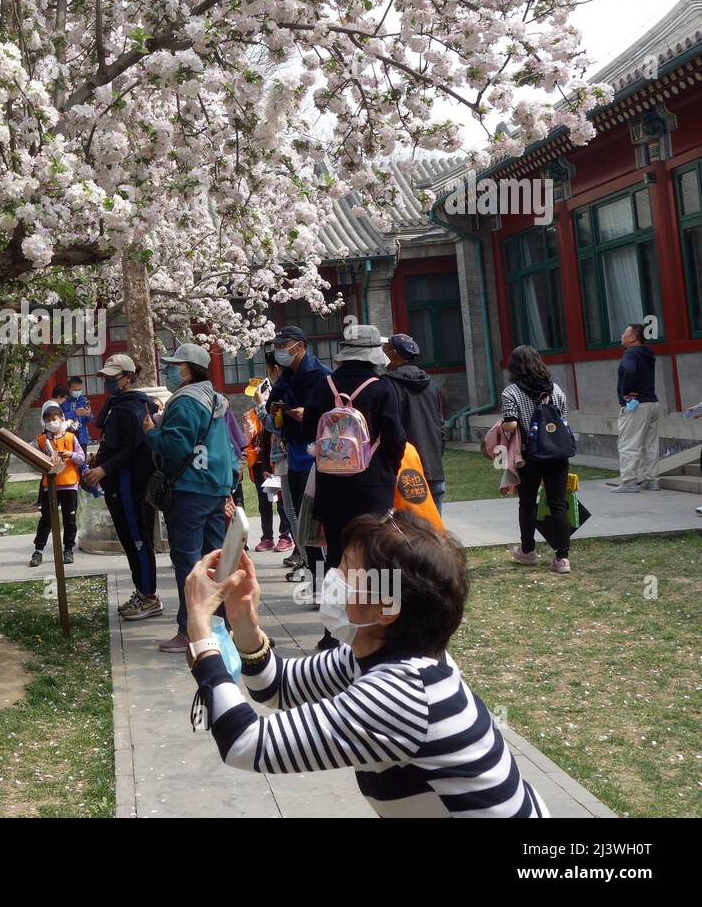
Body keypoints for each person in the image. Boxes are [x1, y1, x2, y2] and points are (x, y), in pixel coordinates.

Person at [182, 510, 549, 817]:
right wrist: (243, 620)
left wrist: (199, 630)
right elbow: (276, 686)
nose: (332, 579)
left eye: (347, 571)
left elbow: (243, 743)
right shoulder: (378, 656)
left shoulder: (400, 694)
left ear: (388, 608)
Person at [303, 324, 406, 648]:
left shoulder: (324, 385)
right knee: (377, 555)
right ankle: (378, 625)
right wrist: (389, 465)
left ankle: (332, 633)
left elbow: (309, 429)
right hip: (372, 487)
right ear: (372, 354)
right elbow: (396, 438)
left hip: (332, 488)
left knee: (336, 558)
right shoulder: (382, 387)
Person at [144, 343, 236, 654]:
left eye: (175, 365)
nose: (170, 369)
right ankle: (222, 624)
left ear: (188, 370)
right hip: (216, 487)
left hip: (190, 490)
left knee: (188, 562)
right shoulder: (215, 398)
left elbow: (174, 447)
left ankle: (190, 630)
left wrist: (151, 431)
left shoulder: (184, 401)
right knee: (216, 562)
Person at [83, 353, 163, 621]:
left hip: (132, 484)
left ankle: (149, 595)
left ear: (126, 378)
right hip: (118, 482)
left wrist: (105, 468)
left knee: (138, 539)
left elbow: (135, 447)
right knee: (128, 539)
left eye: (111, 377)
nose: (106, 382)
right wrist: (101, 460)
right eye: (104, 377)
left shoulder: (136, 406)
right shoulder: (118, 404)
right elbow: (115, 443)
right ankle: (141, 591)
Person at [500, 345, 572, 574]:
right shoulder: (556, 389)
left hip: (529, 455)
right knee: (558, 503)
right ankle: (562, 558)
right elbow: (564, 419)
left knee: (528, 502)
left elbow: (510, 424)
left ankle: (528, 550)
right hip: (557, 454)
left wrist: (502, 426)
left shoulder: (511, 392)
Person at [268, 326, 331, 574]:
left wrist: (310, 415)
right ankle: (315, 575)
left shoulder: (322, 376)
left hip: (316, 454)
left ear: (301, 346)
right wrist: (276, 414)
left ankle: (327, 576)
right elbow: (272, 412)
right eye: (278, 346)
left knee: (317, 520)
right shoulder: (284, 378)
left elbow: (336, 417)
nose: (281, 351)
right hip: (292, 452)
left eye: (286, 346)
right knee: (301, 522)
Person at [382, 332, 447, 513]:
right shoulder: (431, 384)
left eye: (385, 349)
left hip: (404, 470)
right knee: (434, 533)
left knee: (408, 533)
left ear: (393, 354)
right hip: (433, 468)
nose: (383, 353)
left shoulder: (388, 384)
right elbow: (441, 427)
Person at [30, 400, 83, 568]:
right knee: (47, 518)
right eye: (48, 420)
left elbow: (81, 458)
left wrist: (70, 454)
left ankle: (68, 549)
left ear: (62, 419)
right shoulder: (41, 440)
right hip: (50, 484)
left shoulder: (70, 437)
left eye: (55, 418)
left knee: (70, 518)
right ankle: (38, 550)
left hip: (69, 484)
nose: (52, 422)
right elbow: (32, 459)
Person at [246, 369, 293, 554]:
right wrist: (266, 466)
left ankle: (285, 536)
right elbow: (264, 442)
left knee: (284, 504)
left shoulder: (277, 410)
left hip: (283, 462)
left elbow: (275, 431)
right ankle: (267, 537)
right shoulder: (255, 414)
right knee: (264, 503)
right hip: (264, 464)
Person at [610, 323, 661, 493]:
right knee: (650, 444)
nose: (622, 335)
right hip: (652, 402)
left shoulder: (630, 353)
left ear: (633, 338)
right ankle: (651, 480)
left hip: (636, 405)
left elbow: (630, 370)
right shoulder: (647, 353)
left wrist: (625, 392)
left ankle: (629, 481)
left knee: (629, 443)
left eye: (625, 333)